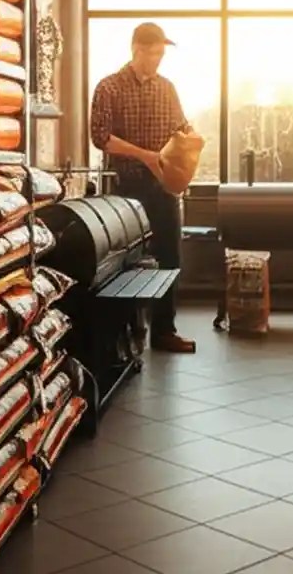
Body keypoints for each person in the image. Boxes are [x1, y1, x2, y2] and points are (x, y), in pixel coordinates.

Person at [89, 22, 195, 354]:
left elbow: (180, 128)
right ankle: (124, 336)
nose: (159, 60)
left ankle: (164, 331)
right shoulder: (109, 88)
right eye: (154, 54)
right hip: (126, 185)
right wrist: (145, 156)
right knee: (126, 260)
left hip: (163, 183)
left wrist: (189, 149)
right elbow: (100, 137)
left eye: (162, 54)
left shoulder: (167, 88)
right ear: (137, 49)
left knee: (170, 257)